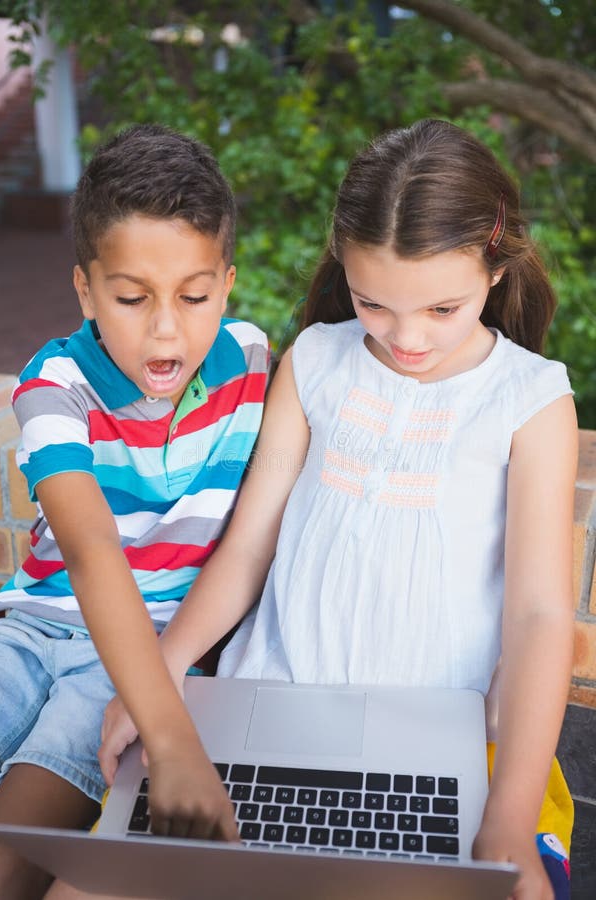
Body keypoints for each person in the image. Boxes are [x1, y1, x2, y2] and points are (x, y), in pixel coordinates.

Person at [68, 118, 577, 900]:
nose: (407, 338)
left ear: (496, 266)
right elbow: (248, 549)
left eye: (443, 309)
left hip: (435, 737)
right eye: (374, 303)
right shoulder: (315, 361)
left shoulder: (530, 400)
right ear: (343, 260)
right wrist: (159, 677)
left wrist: (509, 813)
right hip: (266, 705)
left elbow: (540, 614)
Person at [0, 123, 268, 899]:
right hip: (28, 631)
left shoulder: (252, 363)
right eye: (130, 298)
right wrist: (173, 743)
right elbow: (91, 555)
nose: (165, 328)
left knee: (8, 863)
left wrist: (159, 715)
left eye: (194, 296)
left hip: (132, 661)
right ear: (85, 290)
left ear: (227, 284)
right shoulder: (55, 388)